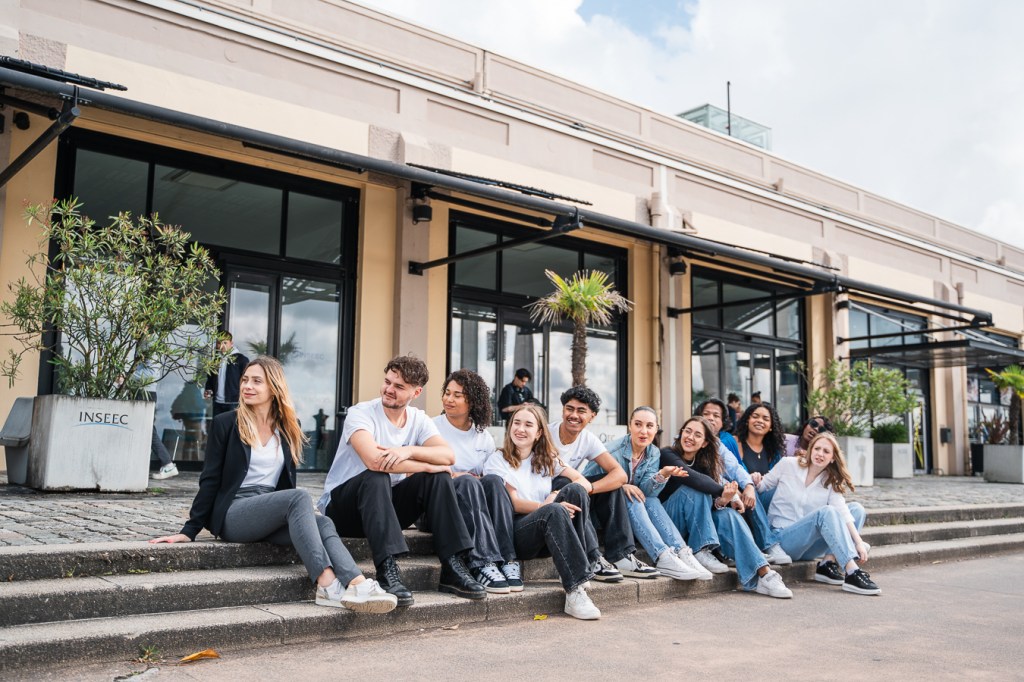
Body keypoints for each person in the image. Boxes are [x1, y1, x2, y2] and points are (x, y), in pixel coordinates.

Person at [150, 356, 396, 614]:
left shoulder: (289, 427)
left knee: (322, 522)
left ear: (274, 388)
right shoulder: (226, 424)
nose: (247, 386)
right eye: (245, 380)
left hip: (269, 510)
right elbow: (210, 480)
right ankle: (326, 584)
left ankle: (357, 584)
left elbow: (286, 482)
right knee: (299, 497)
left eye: (257, 381)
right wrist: (190, 530)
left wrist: (301, 518)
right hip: (235, 512)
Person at [317, 355, 485, 606]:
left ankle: (452, 565)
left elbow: (447, 456)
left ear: (416, 392)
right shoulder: (361, 413)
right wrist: (427, 464)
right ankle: (387, 569)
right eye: (387, 382)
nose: (389, 390)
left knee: (438, 477)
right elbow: (375, 460)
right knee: (377, 476)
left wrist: (408, 451)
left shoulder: (418, 419)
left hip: (385, 509)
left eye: (399, 387)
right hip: (344, 510)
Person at [486, 404, 602, 620]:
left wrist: (556, 494)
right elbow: (513, 503)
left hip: (550, 530)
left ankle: (572, 568)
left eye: (528, 424)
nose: (520, 429)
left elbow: (584, 482)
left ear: (539, 432)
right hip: (518, 533)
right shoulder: (498, 458)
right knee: (554, 511)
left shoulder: (547, 458)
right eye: (516, 423)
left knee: (575, 490)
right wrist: (548, 506)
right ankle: (576, 589)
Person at [659, 416, 793, 599]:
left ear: (705, 443)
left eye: (697, 435)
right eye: (687, 431)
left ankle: (765, 574)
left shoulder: (705, 464)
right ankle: (701, 548)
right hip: (669, 522)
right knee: (695, 490)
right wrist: (729, 494)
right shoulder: (667, 454)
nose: (690, 437)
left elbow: (711, 504)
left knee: (728, 515)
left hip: (693, 527)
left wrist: (725, 500)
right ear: (680, 433)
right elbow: (692, 478)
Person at [549, 385, 658, 581]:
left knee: (612, 485)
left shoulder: (588, 439)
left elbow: (619, 475)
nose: (574, 415)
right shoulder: (546, 434)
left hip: (570, 494)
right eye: (569, 408)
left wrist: (591, 487)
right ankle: (592, 557)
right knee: (567, 481)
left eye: (581, 411)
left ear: (592, 416)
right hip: (544, 497)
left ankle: (621, 556)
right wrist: (581, 484)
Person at [757, 432, 879, 595]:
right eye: (817, 448)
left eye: (826, 451)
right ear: (810, 450)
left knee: (856, 509)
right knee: (826, 512)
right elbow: (762, 486)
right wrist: (752, 480)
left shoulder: (830, 478)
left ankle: (827, 564)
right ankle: (852, 572)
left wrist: (858, 541)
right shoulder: (788, 464)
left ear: (833, 458)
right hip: (783, 540)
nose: (820, 454)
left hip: (809, 546)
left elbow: (843, 511)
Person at [433, 369, 522, 593]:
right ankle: (482, 563)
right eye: (447, 392)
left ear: (472, 401)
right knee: (469, 482)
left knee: (493, 480)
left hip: (473, 505)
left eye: (457, 395)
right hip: (438, 506)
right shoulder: (430, 427)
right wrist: (456, 475)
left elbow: (488, 477)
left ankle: (508, 560)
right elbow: (416, 474)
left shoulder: (482, 436)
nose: (448, 399)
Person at [599, 406, 712, 581]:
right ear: (630, 426)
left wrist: (662, 474)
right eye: (638, 424)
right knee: (631, 494)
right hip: (606, 515)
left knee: (649, 499)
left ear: (656, 428)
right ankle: (661, 556)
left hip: (634, 514)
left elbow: (646, 492)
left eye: (650, 426)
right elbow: (588, 482)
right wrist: (620, 485)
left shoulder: (653, 452)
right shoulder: (611, 451)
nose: (644, 431)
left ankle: (681, 552)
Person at [734, 403, 785, 486]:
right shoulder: (733, 443)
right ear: (747, 420)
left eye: (766, 419)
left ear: (771, 427)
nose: (760, 421)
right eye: (755, 416)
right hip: (740, 493)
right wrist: (748, 479)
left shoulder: (774, 451)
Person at [204, 332, 250, 417]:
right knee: (219, 428)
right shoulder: (215, 361)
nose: (221, 345)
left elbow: (247, 380)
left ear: (231, 343)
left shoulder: (241, 360)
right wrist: (209, 392)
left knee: (233, 428)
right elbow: (210, 379)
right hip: (217, 402)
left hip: (234, 403)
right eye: (219, 343)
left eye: (225, 342)